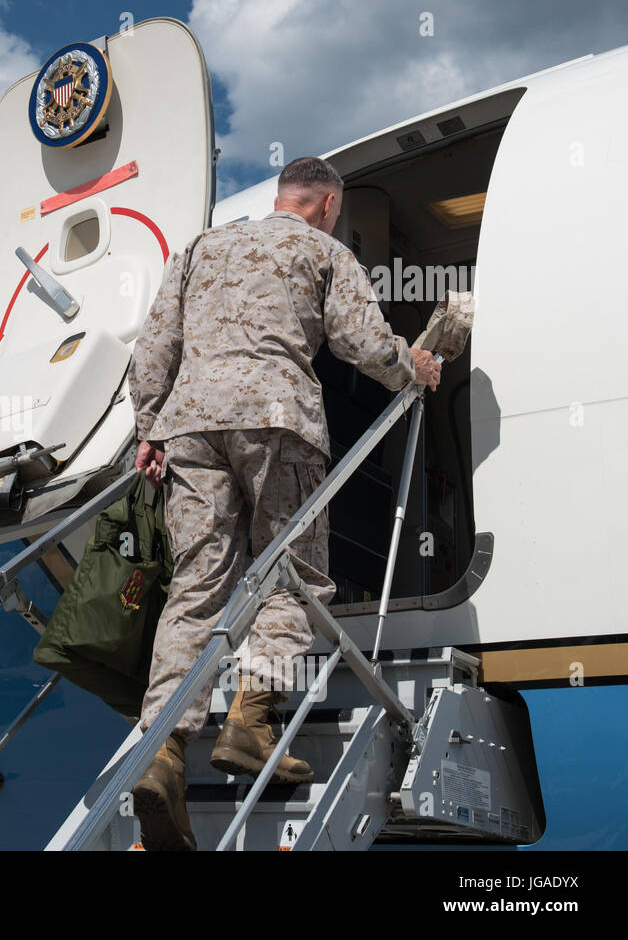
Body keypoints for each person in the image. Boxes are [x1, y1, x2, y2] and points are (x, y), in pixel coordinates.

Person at [126, 156, 440, 850]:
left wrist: (149, 429)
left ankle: (163, 750)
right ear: (328, 206)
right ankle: (251, 717)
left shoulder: (200, 247)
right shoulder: (323, 250)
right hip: (278, 418)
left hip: (190, 424)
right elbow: (362, 342)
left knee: (197, 587)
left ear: (279, 197)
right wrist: (410, 367)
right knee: (291, 571)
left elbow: (153, 352)